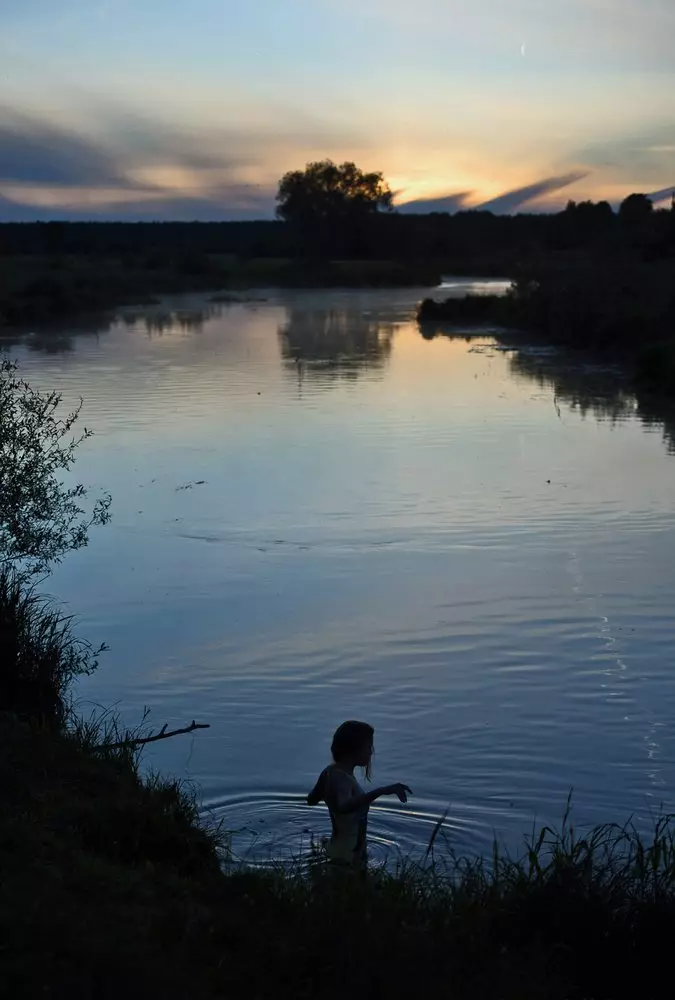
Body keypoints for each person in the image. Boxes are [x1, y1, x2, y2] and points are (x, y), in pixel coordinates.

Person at [307, 720, 412, 868]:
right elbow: (343, 806)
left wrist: (327, 794)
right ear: (353, 749)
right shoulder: (342, 779)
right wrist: (381, 791)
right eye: (368, 747)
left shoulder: (329, 773)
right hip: (348, 858)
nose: (371, 751)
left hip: (336, 850)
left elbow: (311, 800)